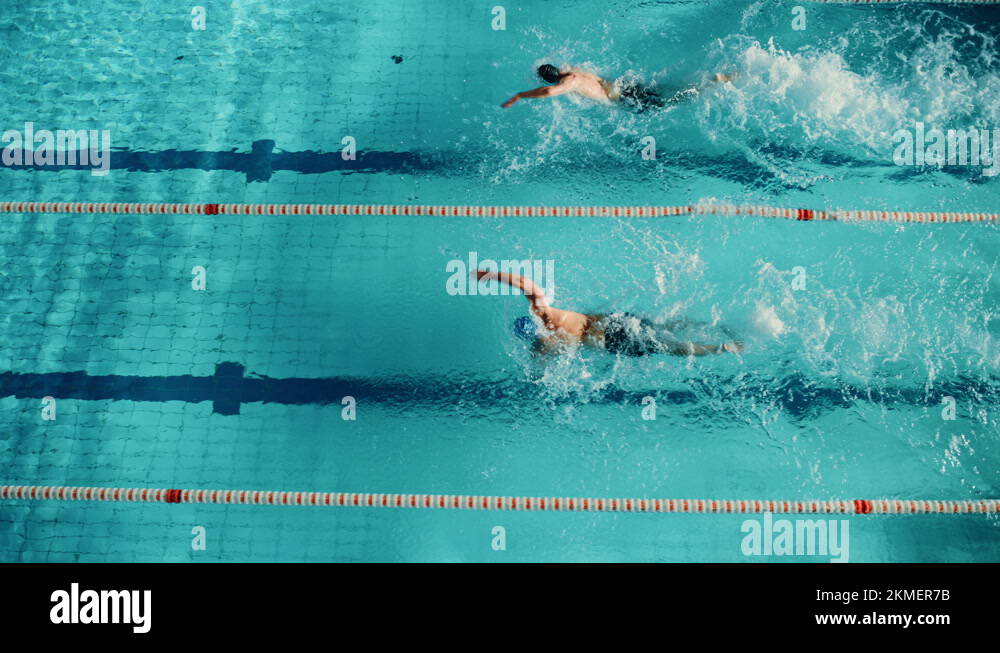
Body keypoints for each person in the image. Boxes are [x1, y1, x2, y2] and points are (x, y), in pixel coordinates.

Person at [475, 269, 743, 356]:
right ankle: (715, 325)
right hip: (616, 321)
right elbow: (527, 284)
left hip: (613, 340)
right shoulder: (543, 311)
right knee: (667, 327)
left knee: (670, 348)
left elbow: (541, 370)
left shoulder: (542, 343)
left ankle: (721, 348)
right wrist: (490, 274)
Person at [501, 63, 733, 112]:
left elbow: (551, 92)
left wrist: (520, 95)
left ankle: (710, 85)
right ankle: (712, 79)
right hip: (626, 87)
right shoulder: (573, 70)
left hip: (623, 99)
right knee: (666, 89)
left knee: (672, 101)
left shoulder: (568, 82)